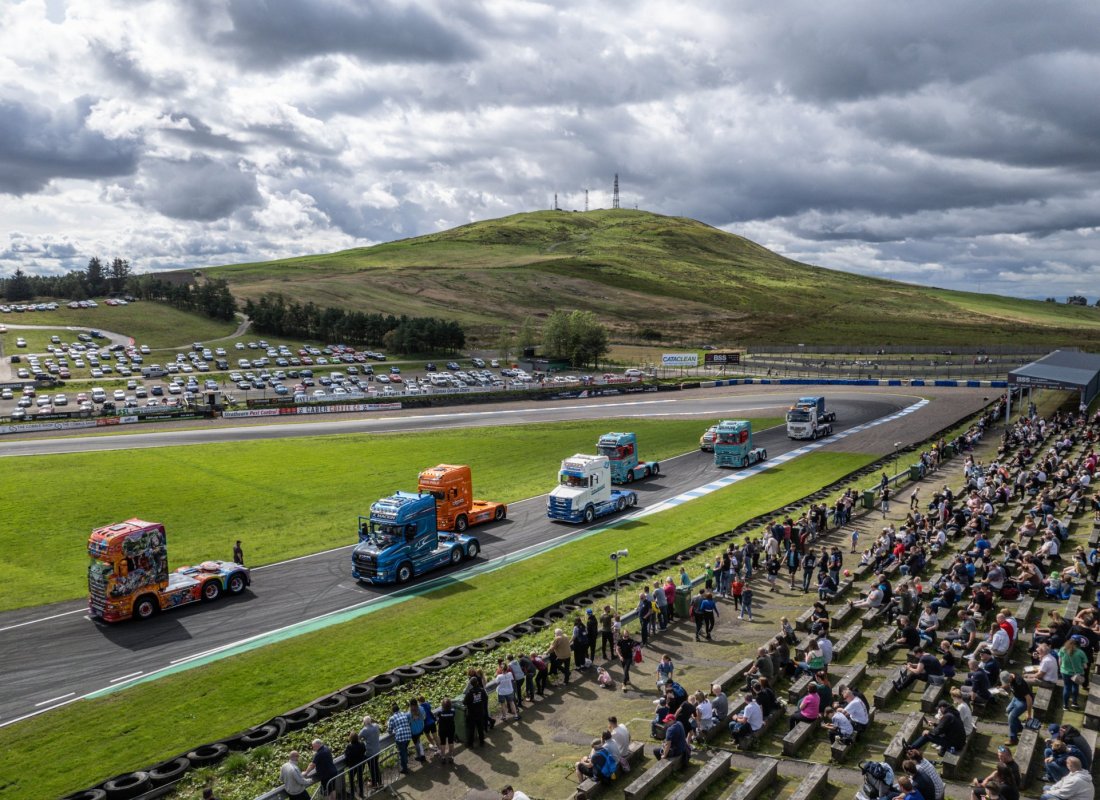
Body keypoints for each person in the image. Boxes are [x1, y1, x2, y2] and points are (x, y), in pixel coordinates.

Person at [1002, 671, 1034, 746]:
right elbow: (1008, 684)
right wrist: (1001, 688)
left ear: (1010, 677)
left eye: (1008, 681)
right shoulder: (1011, 674)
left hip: (1024, 701)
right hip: (1016, 698)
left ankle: (1013, 739)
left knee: (1011, 717)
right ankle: (1019, 727)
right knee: (1008, 710)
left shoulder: (1019, 684)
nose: (1008, 683)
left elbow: (1029, 699)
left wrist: (1029, 714)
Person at [1059, 637, 1089, 710]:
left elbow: (1060, 661)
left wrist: (1061, 669)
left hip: (1065, 672)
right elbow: (1085, 666)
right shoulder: (1081, 652)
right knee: (1075, 687)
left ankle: (1065, 706)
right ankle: (1074, 703)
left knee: (1067, 687)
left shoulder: (1063, 649)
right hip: (1078, 673)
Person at [463, 672, 488, 748]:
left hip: (471, 714)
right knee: (480, 728)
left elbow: (464, 702)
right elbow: (485, 698)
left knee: (471, 729)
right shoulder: (482, 690)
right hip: (480, 712)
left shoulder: (469, 694)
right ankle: (482, 742)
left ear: (471, 684)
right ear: (477, 682)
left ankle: (470, 744)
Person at [386, 705, 413, 774]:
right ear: (399, 709)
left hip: (400, 737)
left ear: (393, 711)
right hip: (408, 735)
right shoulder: (404, 714)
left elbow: (389, 730)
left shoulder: (392, 718)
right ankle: (405, 762)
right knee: (404, 750)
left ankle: (405, 768)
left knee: (402, 752)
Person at [359, 715, 382, 788]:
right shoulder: (376, 726)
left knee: (372, 768)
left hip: (370, 753)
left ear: (364, 723)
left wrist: (364, 740)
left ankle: (374, 784)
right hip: (377, 750)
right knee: (376, 767)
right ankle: (380, 782)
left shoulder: (364, 730)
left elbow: (358, 738)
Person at [344, 731, 367, 800]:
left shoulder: (349, 746)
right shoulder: (362, 744)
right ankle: (361, 793)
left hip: (352, 765)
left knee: (351, 778)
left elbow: (346, 755)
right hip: (361, 764)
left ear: (350, 738)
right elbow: (364, 750)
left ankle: (352, 793)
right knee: (360, 778)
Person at [437, 698, 456, 765]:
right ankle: (450, 756)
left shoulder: (440, 712)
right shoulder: (453, 712)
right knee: (451, 742)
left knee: (443, 743)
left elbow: (438, 717)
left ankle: (443, 757)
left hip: (442, 730)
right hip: (451, 729)